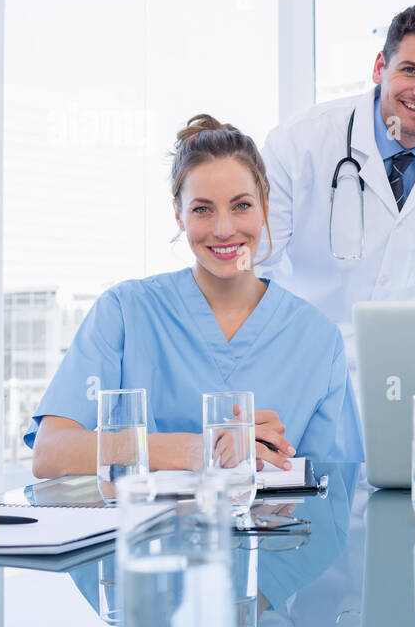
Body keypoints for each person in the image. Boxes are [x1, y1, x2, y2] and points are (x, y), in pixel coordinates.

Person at [26, 115, 364, 478]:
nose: (224, 229)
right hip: (146, 533)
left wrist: (277, 460)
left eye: (241, 205)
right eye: (202, 209)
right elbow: (50, 453)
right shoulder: (125, 313)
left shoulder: (317, 339)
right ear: (178, 214)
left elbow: (336, 491)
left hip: (273, 534)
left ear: (265, 205)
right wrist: (197, 448)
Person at [259, 4, 415, 367]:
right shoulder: (300, 141)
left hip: (403, 355)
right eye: (410, 70)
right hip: (299, 353)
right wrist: (282, 344)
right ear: (380, 68)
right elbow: (257, 265)